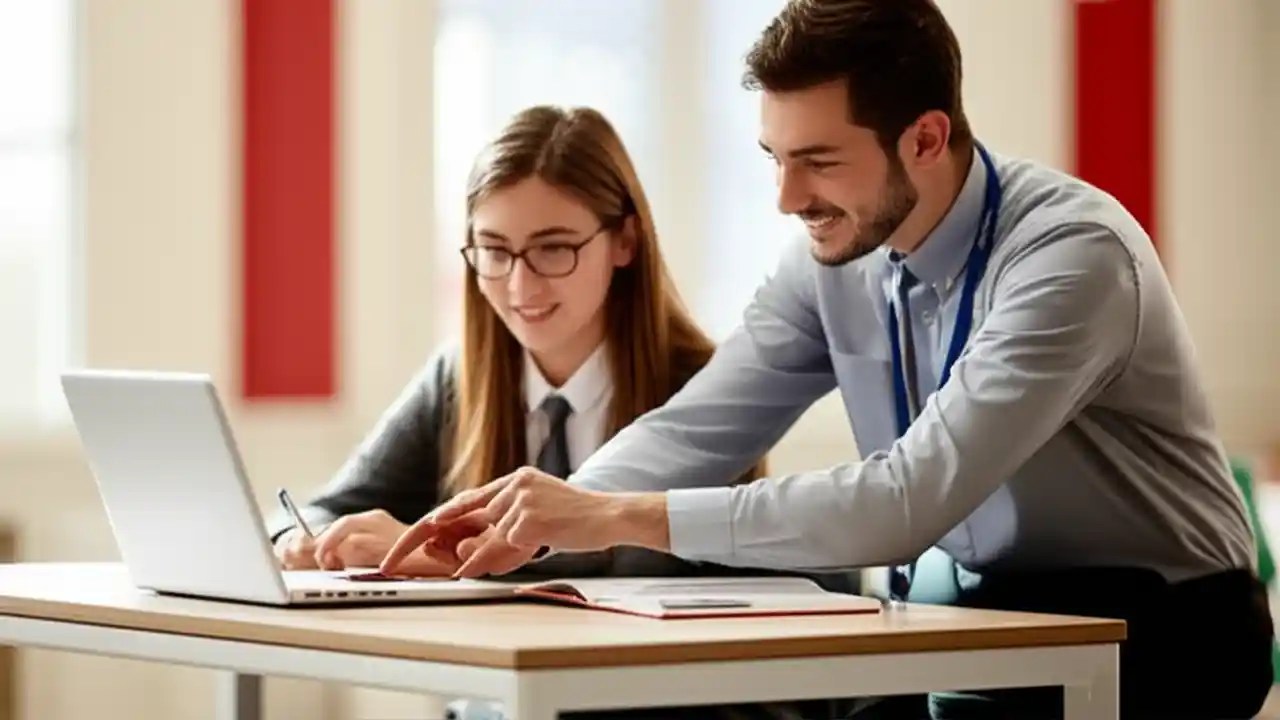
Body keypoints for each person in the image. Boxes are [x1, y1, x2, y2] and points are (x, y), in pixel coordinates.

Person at [382, 1, 1276, 718]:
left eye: (816, 160)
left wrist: (616, 515)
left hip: (1164, 624)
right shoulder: (831, 256)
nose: (784, 197)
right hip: (977, 611)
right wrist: (531, 525)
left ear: (926, 139)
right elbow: (696, 428)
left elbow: (904, 499)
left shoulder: (1070, 258)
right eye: (772, 157)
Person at [267, 104, 766, 581]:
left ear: (625, 242)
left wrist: (444, 558)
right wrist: (301, 537)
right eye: (495, 251)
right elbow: (329, 506)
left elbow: (653, 566)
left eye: (553, 249)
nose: (520, 287)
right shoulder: (458, 376)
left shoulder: (705, 387)